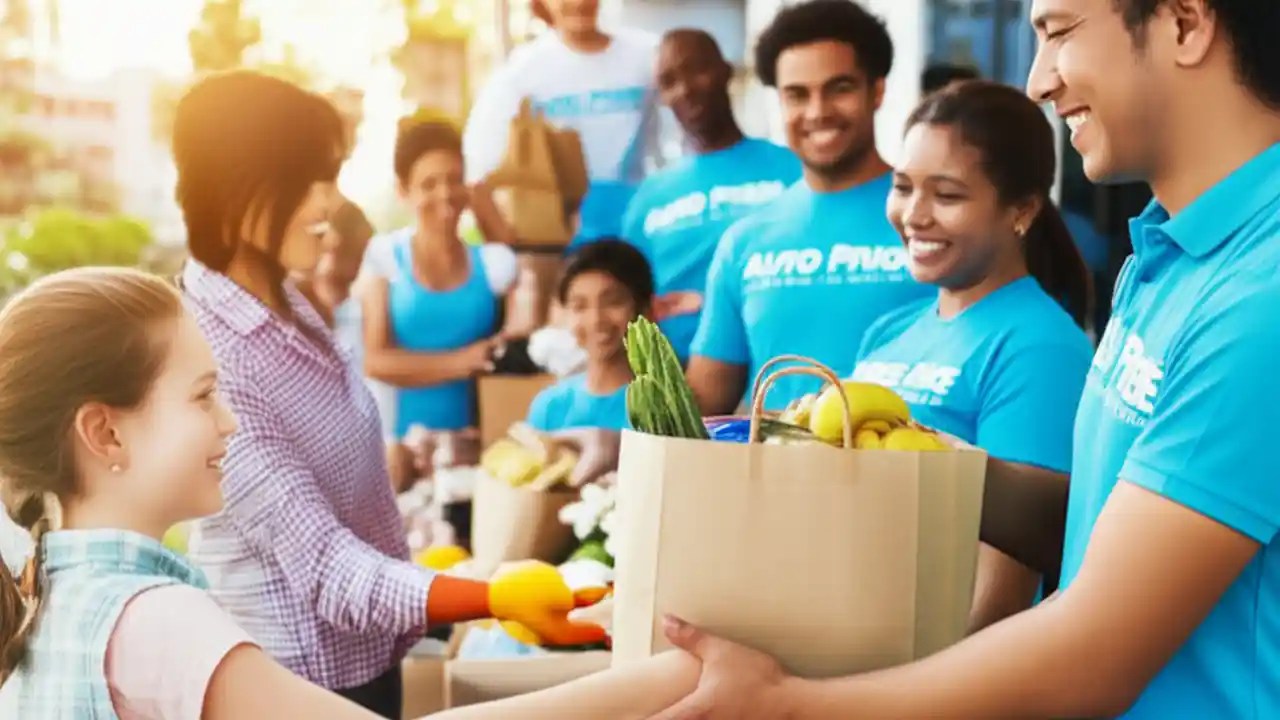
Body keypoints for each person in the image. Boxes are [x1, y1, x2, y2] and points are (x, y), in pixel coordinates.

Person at [645, 0, 1280, 717]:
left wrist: (793, 704)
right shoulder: (1169, 253)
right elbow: (1090, 527)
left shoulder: (1259, 293)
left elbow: (1094, 653)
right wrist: (921, 463)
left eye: (1060, 33)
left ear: (1185, 24)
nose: (1038, 80)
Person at [0, 267, 707, 719]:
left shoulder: (52, 602)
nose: (231, 419)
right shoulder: (157, 624)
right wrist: (677, 675)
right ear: (105, 433)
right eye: (204, 395)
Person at [172, 71, 599, 718]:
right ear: (241, 187)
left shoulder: (285, 301)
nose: (327, 210)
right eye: (312, 183)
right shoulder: (218, 360)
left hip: (364, 661)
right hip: (303, 689)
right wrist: (489, 595)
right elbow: (329, 572)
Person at [853, 80, 1093, 630]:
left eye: (947, 195)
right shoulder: (887, 331)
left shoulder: (1040, 347)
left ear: (1023, 211)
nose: (914, 215)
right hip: (851, 643)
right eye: (903, 186)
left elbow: (1006, 596)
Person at [686, 0, 932, 414]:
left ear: (877, 90)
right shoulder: (744, 242)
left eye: (839, 88)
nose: (817, 113)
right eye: (797, 95)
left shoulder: (930, 221)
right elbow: (702, 411)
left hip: (916, 471)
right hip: (777, 475)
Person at [621, 29, 800, 363]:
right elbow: (626, 297)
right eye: (669, 81)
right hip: (683, 384)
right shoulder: (650, 197)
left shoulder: (792, 169)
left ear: (726, 71)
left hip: (778, 373)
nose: (685, 89)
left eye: (696, 69)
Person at [362, 120, 517, 438]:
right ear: (403, 191)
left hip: (479, 441)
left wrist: (490, 214)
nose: (445, 194)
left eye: (454, 179)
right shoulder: (384, 257)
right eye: (428, 184)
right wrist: (462, 362)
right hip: (401, 446)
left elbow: (522, 332)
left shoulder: (492, 264)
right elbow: (376, 361)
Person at [462, 0, 661, 245]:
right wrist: (509, 248)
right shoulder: (523, 71)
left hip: (638, 233)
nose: (579, 3)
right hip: (562, 244)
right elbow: (477, 169)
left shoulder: (646, 55)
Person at [528, 239, 651, 433]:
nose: (596, 320)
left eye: (613, 302)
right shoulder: (550, 407)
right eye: (579, 306)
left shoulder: (662, 407)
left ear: (643, 308)